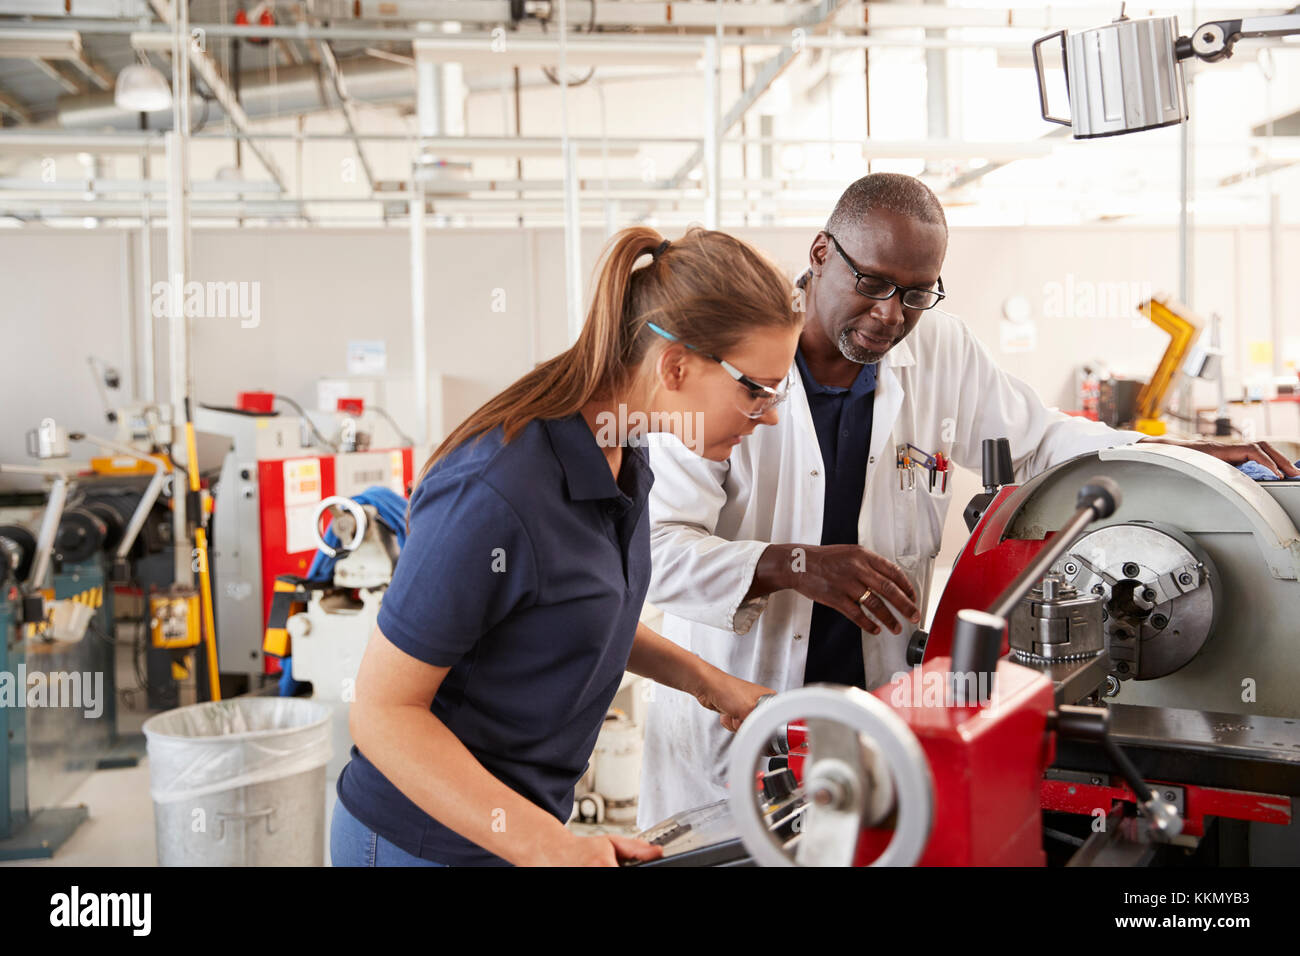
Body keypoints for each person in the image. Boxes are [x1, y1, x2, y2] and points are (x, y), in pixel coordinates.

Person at [638, 173, 1300, 829]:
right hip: (734, 728)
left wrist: (1177, 452)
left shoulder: (939, 350)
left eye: (917, 293)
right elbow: (653, 552)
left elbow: (1043, 441)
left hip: (875, 716)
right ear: (819, 255)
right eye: (872, 283)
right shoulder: (730, 365)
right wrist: (790, 564)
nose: (892, 313)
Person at [331, 226, 803, 866]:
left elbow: (577, 610)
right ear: (675, 366)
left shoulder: (623, 456)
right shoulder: (494, 493)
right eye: (757, 389)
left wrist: (711, 683)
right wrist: (547, 845)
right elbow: (383, 713)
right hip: (423, 843)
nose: (770, 414)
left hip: (513, 831)